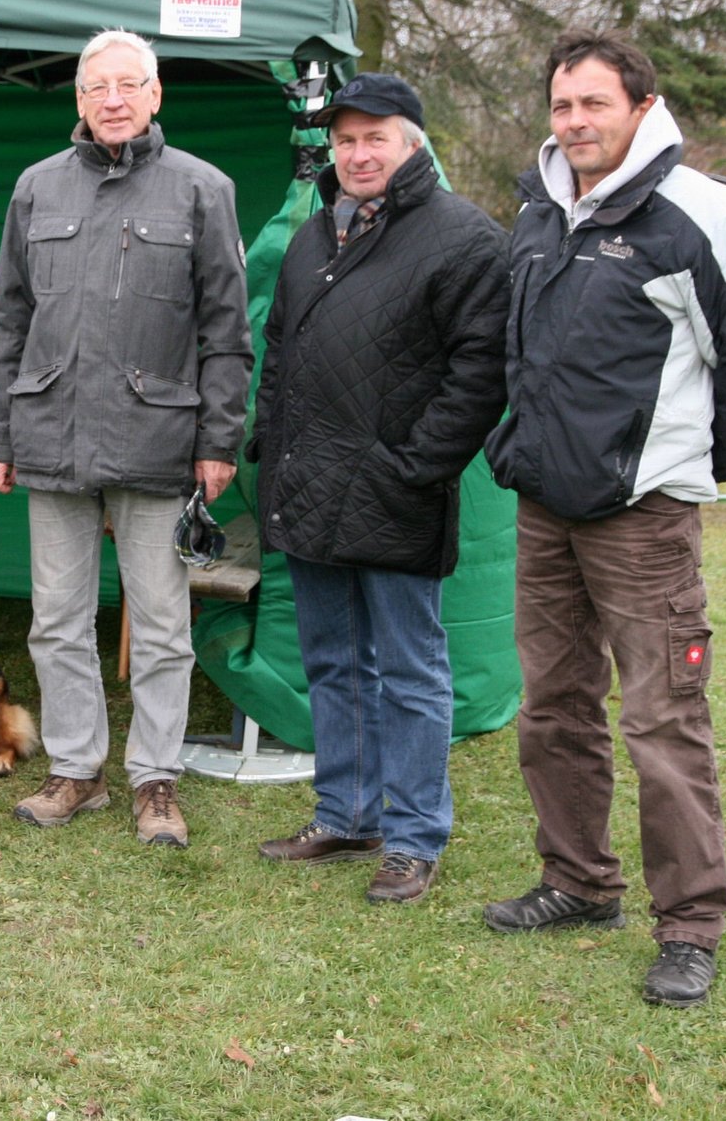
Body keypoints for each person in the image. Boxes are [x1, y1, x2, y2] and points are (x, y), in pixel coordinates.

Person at [482, 29, 726, 1007]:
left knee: (664, 721)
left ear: (640, 105)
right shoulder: (538, 210)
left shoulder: (699, 215)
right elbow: (519, 349)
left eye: (594, 105)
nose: (575, 122)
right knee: (554, 706)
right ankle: (577, 879)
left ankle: (691, 923)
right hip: (545, 509)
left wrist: (684, 468)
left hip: (643, 518)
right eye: (563, 105)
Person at [0, 28, 252, 847]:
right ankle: (76, 772)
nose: (113, 100)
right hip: (51, 434)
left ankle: (156, 778)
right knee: (57, 619)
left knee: (163, 624)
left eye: (129, 85)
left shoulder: (203, 189)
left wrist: (220, 439)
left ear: (156, 94)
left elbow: (227, 331)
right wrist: (0, 437)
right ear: (78, 99)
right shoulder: (35, 188)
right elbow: (7, 320)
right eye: (97, 87)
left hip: (159, 441)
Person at [248, 74, 510, 905]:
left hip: (396, 494)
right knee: (332, 661)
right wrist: (273, 448)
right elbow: (281, 355)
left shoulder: (466, 240)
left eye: (376, 138)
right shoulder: (312, 237)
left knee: (410, 671)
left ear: (413, 144)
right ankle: (346, 813)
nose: (357, 154)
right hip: (311, 486)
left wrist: (416, 467)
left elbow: (480, 374)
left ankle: (413, 836)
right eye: (345, 140)